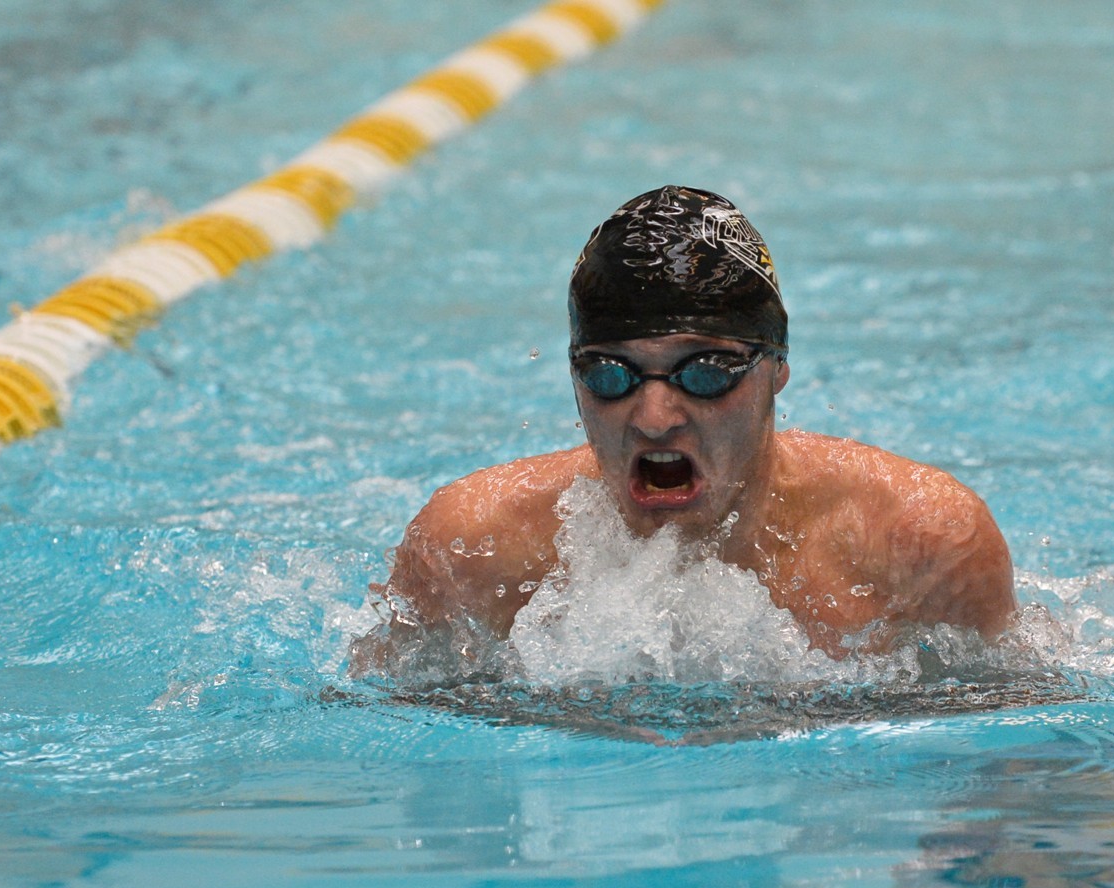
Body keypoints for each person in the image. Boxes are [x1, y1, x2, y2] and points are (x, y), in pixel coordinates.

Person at [363, 186, 1015, 667]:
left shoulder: (921, 547)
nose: (653, 419)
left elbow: (1009, 774)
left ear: (778, 369)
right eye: (611, 375)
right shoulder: (470, 549)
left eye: (704, 373)